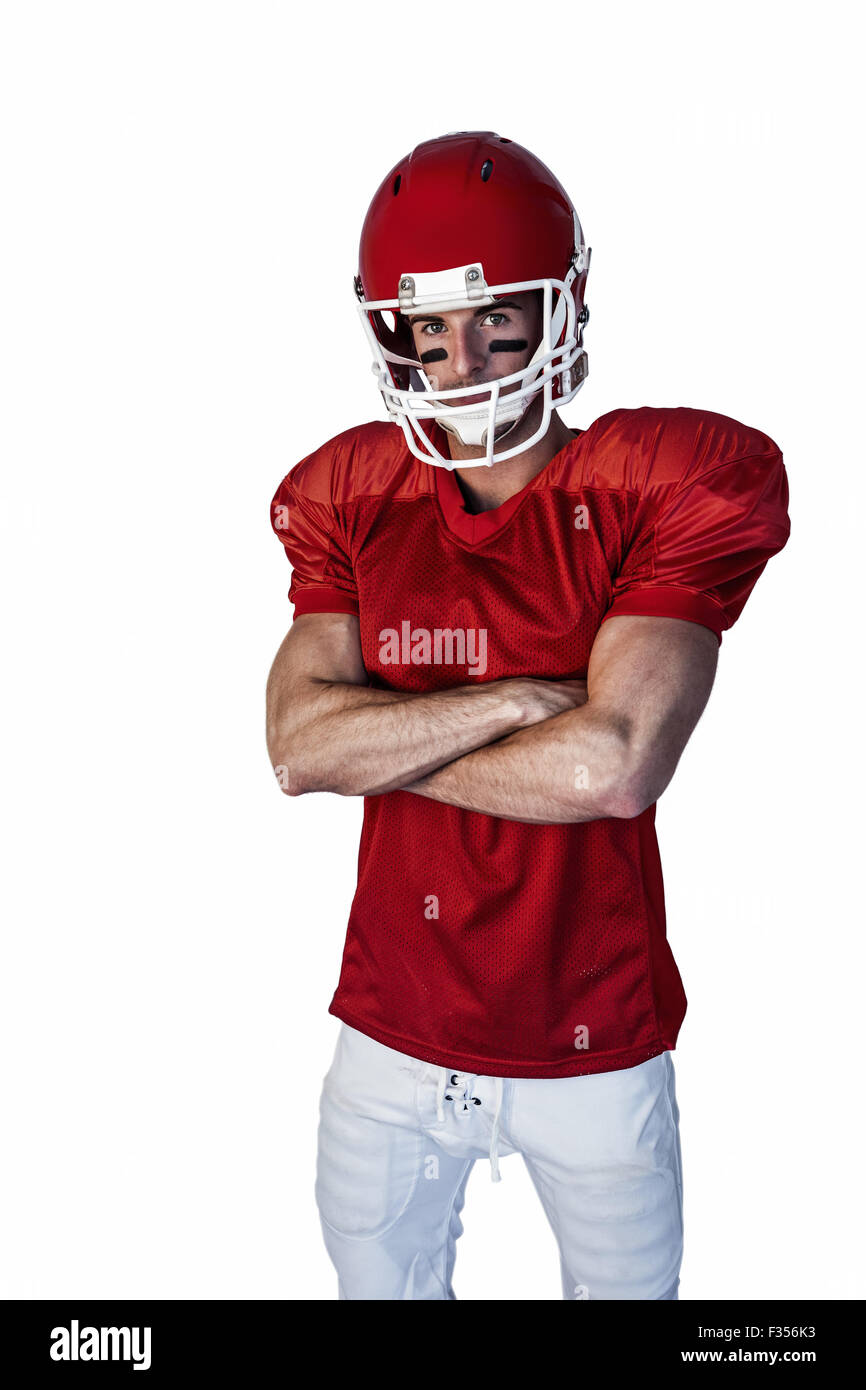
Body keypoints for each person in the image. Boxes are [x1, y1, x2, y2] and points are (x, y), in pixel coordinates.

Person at [266, 130, 791, 1300]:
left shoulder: (652, 485)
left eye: (494, 317)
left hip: (591, 1033)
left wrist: (385, 737)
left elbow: (609, 765)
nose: (460, 360)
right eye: (430, 329)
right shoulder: (353, 496)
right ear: (388, 330)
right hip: (387, 1025)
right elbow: (298, 751)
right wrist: (508, 701)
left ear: (558, 306)